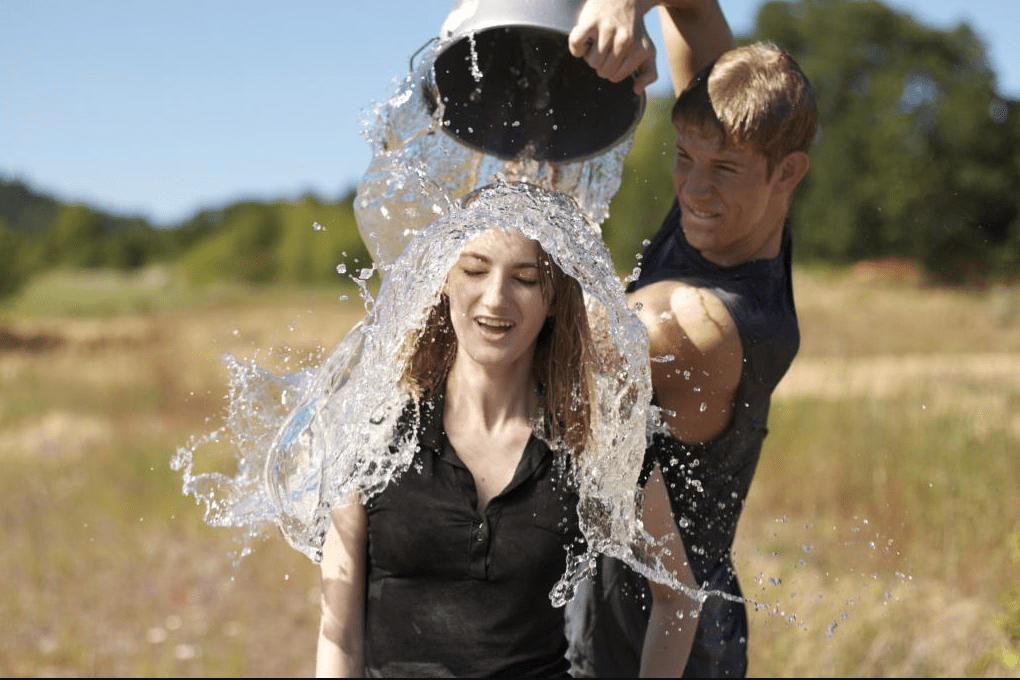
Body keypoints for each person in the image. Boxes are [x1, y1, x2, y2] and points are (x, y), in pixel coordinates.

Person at [313, 182, 702, 678]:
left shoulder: (595, 443)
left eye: (525, 279)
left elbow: (679, 600)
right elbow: (339, 636)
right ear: (444, 281)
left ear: (554, 299)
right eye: (475, 270)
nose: (495, 299)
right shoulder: (377, 433)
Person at [564, 0, 817, 677]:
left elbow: (561, 348)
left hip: (667, 641)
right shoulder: (734, 214)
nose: (694, 190)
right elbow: (696, 10)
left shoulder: (705, 325)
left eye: (724, 170)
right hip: (616, 600)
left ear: (787, 173)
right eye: (683, 156)